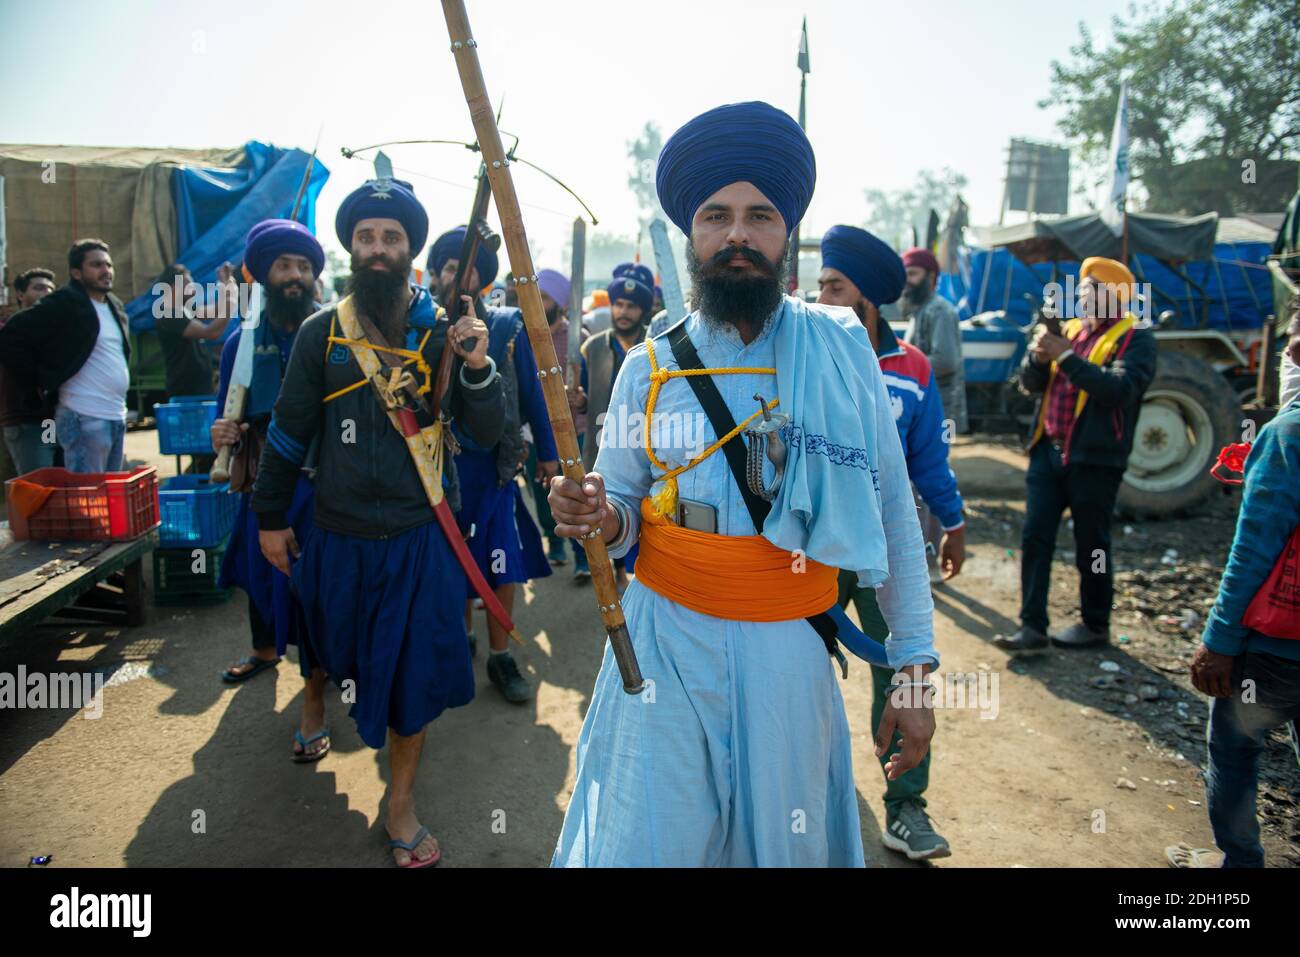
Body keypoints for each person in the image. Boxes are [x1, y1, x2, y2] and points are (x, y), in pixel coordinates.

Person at [548, 101, 937, 867]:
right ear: (691, 235)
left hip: (789, 651)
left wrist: (916, 670)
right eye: (716, 215)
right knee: (649, 844)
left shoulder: (840, 348)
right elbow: (621, 506)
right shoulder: (647, 367)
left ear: (787, 232)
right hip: (661, 647)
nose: (737, 234)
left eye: (760, 215)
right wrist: (596, 512)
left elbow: (892, 509)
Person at [252, 179, 503, 867]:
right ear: (352, 248)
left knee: (410, 676)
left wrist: (476, 363)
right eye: (367, 237)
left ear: (410, 250)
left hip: (421, 538)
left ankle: (398, 804)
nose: (379, 248)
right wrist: (270, 517)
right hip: (337, 532)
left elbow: (487, 432)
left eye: (391, 237)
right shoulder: (319, 332)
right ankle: (312, 703)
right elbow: (287, 431)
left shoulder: (444, 329)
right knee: (327, 642)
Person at [818, 224, 965, 860]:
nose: (820, 295)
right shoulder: (802, 358)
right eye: (820, 283)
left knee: (902, 673)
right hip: (815, 551)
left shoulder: (912, 369)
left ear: (866, 299)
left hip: (883, 553)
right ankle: (800, 797)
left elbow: (929, 458)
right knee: (796, 666)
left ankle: (905, 806)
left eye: (834, 285)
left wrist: (953, 522)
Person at [211, 220, 334, 763]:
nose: (295, 275)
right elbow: (225, 411)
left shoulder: (334, 334)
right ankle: (264, 650)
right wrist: (221, 432)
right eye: (284, 265)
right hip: (263, 479)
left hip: (321, 483)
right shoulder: (240, 340)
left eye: (304, 267)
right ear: (263, 274)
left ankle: (314, 701)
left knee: (313, 593)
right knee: (259, 575)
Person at [995, 257, 1156, 653]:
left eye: (1094, 289)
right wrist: (1039, 357)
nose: (1084, 295)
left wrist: (1065, 357)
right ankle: (1032, 628)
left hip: (1096, 459)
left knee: (1093, 544)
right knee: (1035, 538)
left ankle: (1095, 624)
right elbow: (1029, 385)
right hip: (1048, 451)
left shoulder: (1135, 338)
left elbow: (1119, 390)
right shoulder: (1069, 331)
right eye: (1083, 288)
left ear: (1117, 296)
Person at [1168, 389, 1300, 868]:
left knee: (1235, 751)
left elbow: (1253, 550)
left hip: (1276, 647)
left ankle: (1240, 863)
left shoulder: (1289, 434)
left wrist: (1218, 642)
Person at [427, 226, 558, 704]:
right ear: (435, 274)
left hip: (496, 472)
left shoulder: (506, 325)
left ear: (484, 281)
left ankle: (500, 654)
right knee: (454, 562)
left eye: (472, 272)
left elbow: (532, 391)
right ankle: (459, 645)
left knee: (502, 564)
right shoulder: (422, 329)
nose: (459, 280)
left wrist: (548, 454)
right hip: (441, 473)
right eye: (449, 269)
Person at [0, 239, 130, 472]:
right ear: (76, 273)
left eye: (109, 265)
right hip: (82, 417)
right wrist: (38, 382)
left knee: (108, 499)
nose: (106, 271)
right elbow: (11, 336)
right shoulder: (65, 303)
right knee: (86, 499)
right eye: (97, 265)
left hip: (115, 416)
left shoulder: (114, 306)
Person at [569, 262, 654, 590]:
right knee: (601, 503)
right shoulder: (592, 347)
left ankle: (635, 569)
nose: (623, 311)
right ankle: (607, 568)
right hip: (600, 439)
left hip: (642, 442)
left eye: (631, 306)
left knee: (639, 505)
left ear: (642, 311)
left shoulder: (656, 347)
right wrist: (579, 400)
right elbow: (587, 396)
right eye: (619, 304)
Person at [530, 268, 587, 567]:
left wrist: (583, 399)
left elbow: (595, 390)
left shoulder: (581, 338)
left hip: (574, 429)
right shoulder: (521, 336)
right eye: (535, 296)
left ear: (561, 303)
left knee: (576, 493)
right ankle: (554, 544)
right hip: (535, 432)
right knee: (541, 494)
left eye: (544, 297)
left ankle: (582, 555)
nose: (538, 303)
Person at [899, 246, 967, 435]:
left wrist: (901, 369)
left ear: (930, 277)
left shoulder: (939, 310)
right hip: (925, 407)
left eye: (913, 274)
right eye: (905, 274)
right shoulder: (920, 310)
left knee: (935, 463)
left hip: (939, 410)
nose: (907, 281)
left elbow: (945, 361)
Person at [1, 268, 58, 474]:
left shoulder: (55, 331)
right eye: (39, 288)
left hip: (50, 421)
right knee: (35, 486)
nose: (47, 292)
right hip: (24, 421)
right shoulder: (11, 330)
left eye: (51, 288)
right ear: (20, 294)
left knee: (54, 482)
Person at [153, 262, 237, 399]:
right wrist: (231, 301)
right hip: (186, 392)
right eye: (189, 284)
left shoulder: (185, 309)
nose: (194, 289)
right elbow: (211, 332)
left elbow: (216, 311)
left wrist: (225, 284)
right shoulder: (169, 313)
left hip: (198, 390)